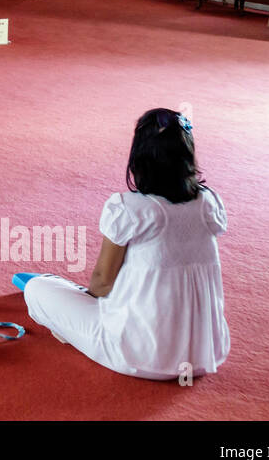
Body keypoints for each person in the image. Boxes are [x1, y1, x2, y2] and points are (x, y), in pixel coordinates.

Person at [19, 108, 229, 380]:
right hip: (203, 355)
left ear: (141, 157)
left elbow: (101, 284)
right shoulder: (208, 203)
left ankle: (76, 331)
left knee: (37, 288)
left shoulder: (132, 208)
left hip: (139, 356)